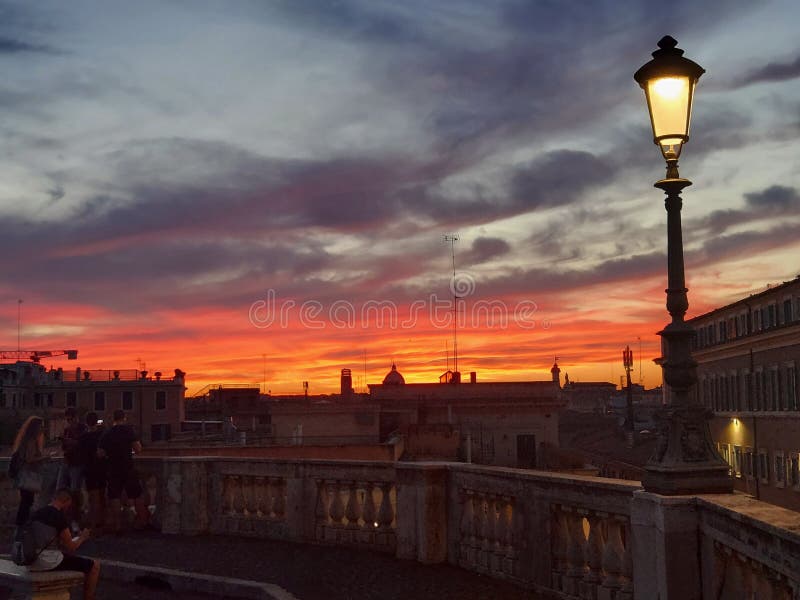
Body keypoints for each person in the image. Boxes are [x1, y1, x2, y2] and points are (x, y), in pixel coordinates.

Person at [28, 489, 100, 600]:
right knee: (94, 566)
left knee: (68, 560)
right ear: (67, 501)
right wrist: (83, 537)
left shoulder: (37, 513)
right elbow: (71, 547)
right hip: (48, 561)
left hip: (31, 559)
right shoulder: (58, 516)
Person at [98, 409, 149, 532]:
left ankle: (118, 525)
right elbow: (138, 449)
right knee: (136, 494)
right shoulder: (128, 430)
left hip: (112, 468)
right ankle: (142, 522)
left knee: (114, 496)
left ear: (113, 419)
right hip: (128, 467)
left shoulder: (107, 433)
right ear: (124, 418)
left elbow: (100, 453)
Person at [11, 416, 48, 526]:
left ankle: (21, 525)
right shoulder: (30, 441)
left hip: (26, 474)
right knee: (27, 501)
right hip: (28, 474)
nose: (42, 429)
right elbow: (29, 459)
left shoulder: (27, 440)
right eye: (41, 427)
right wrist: (45, 458)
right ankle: (21, 525)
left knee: (26, 500)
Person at [56, 407, 87, 529]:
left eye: (70, 419)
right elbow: (65, 447)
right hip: (67, 462)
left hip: (77, 464)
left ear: (76, 418)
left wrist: (69, 441)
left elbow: (82, 444)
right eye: (67, 419)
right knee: (60, 489)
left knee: (75, 491)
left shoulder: (82, 429)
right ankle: (64, 518)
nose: (69, 421)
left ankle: (75, 519)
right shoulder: (67, 430)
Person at [77, 412, 107, 531]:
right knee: (101, 496)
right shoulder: (102, 435)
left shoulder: (83, 437)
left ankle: (94, 525)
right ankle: (102, 522)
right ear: (96, 422)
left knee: (93, 498)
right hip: (102, 468)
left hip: (89, 470)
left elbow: (80, 454)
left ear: (86, 423)